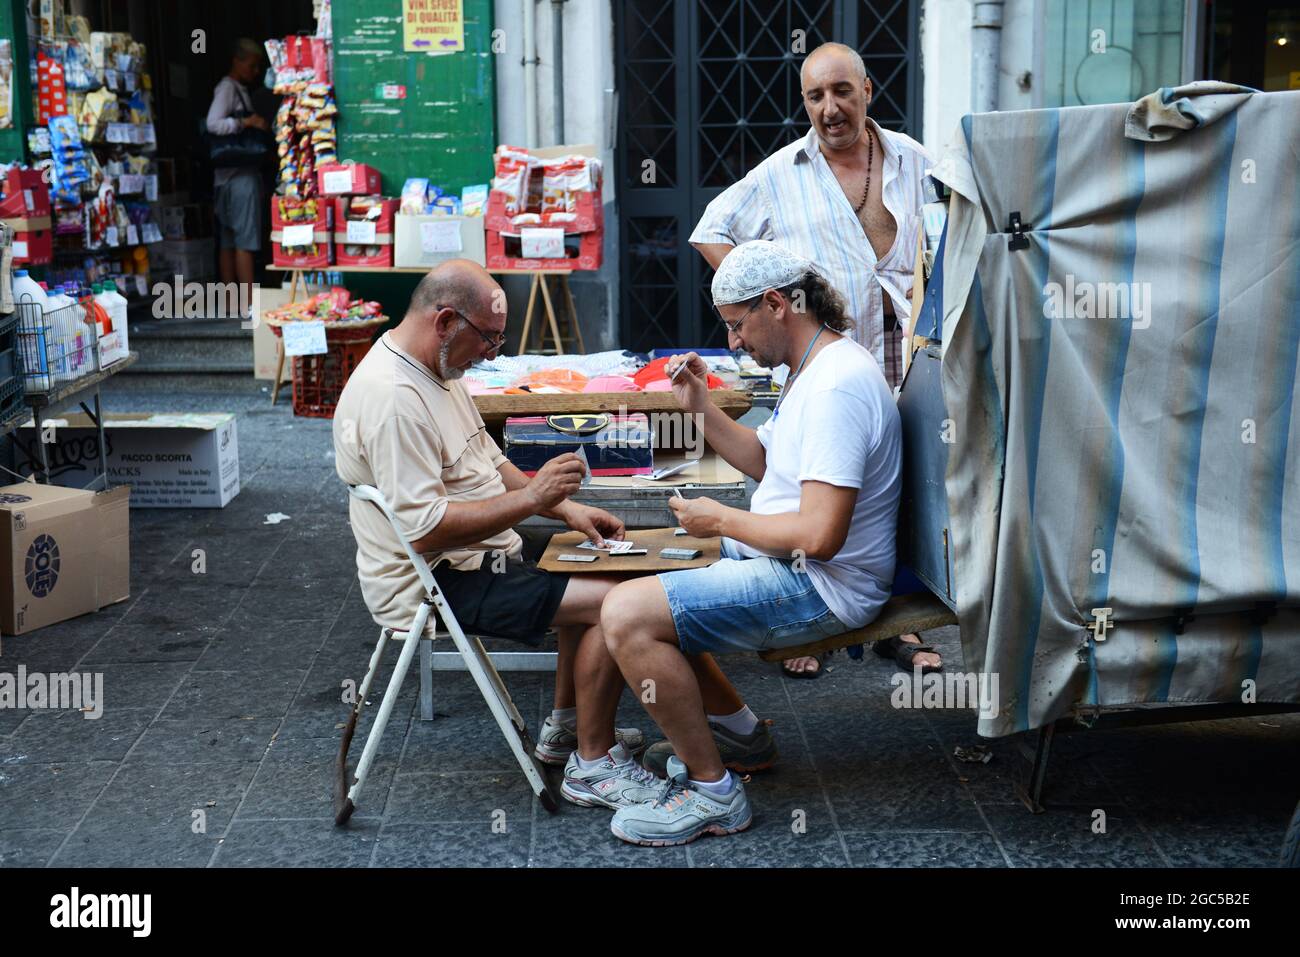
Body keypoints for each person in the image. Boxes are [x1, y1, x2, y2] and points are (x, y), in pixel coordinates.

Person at [600, 241, 903, 846]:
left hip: (823, 584)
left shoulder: (835, 387)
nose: (734, 343)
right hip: (793, 561)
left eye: (738, 325)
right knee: (617, 579)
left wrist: (722, 523)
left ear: (776, 304)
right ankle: (738, 733)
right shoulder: (812, 368)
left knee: (628, 615)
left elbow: (819, 537)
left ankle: (714, 795)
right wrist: (700, 407)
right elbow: (767, 461)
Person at [332, 260, 658, 809]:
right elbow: (425, 529)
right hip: (436, 581)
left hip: (482, 557)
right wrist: (533, 499)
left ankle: (564, 730)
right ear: (444, 322)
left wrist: (565, 509)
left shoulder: (439, 370)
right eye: (487, 337)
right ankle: (593, 766)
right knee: (619, 604)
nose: (494, 351)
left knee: (606, 566)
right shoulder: (394, 397)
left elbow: (487, 459)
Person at [689, 40, 939, 678]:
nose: (830, 109)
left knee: (903, 487)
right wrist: (757, 303)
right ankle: (803, 617)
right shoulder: (782, 171)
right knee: (815, 479)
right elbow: (711, 228)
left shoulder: (912, 160)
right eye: (815, 97)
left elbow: (950, 235)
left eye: (841, 92)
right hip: (828, 355)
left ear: (867, 91)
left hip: (909, 360)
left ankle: (898, 626)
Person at [206, 38, 269, 290]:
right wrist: (247, 123)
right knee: (245, 240)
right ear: (237, 61)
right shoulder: (228, 88)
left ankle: (233, 301)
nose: (255, 72)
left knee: (229, 240)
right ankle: (248, 302)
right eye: (252, 66)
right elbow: (213, 123)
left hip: (226, 177)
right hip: (239, 175)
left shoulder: (235, 89)